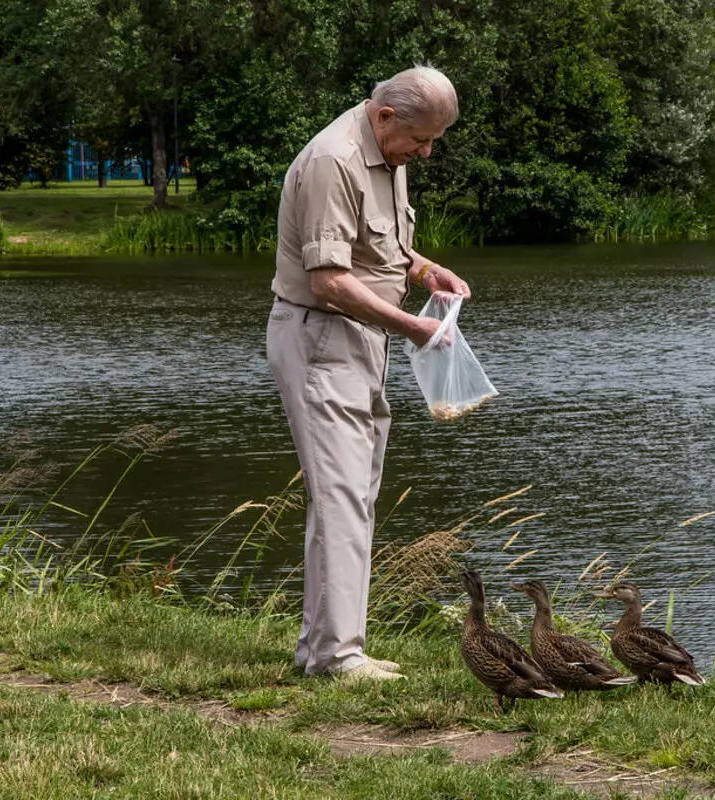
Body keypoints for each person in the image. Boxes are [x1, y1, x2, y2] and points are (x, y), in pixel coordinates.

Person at [266, 66, 471, 682]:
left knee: (352, 496)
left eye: (434, 140)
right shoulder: (334, 160)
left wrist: (422, 271)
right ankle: (337, 656)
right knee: (341, 498)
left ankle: (325, 648)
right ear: (385, 115)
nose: (427, 152)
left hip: (359, 339)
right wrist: (413, 328)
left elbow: (378, 249)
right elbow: (329, 280)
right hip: (320, 337)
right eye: (422, 138)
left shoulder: (387, 150)